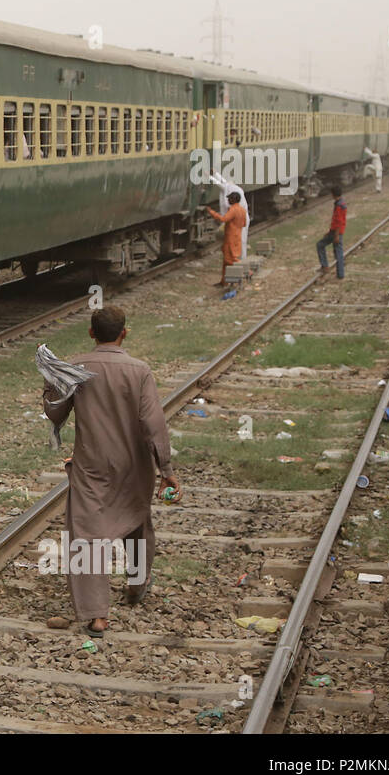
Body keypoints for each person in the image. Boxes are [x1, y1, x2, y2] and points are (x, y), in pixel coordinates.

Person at [42, 306, 179, 638]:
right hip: (134, 464)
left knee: (86, 536)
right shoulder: (140, 370)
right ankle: (137, 582)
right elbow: (153, 422)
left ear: (91, 334)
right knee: (136, 518)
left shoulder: (76, 368)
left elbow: (55, 412)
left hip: (91, 465)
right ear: (124, 333)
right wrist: (166, 469)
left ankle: (96, 616)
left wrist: (50, 383)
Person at [205, 192, 247, 286]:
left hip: (230, 238)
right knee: (226, 261)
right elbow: (244, 224)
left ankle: (247, 272)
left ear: (234, 199)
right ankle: (224, 282)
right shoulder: (242, 210)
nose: (228, 200)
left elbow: (223, 219)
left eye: (229, 199)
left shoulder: (233, 210)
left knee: (231, 260)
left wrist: (211, 212)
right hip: (237, 237)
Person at [210, 171, 249, 258]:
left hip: (238, 220)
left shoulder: (235, 206)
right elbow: (223, 182)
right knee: (235, 240)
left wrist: (209, 177)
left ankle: (241, 260)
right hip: (237, 220)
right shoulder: (232, 188)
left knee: (240, 240)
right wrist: (214, 173)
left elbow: (220, 184)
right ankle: (236, 259)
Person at [317, 185, 347, 280]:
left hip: (336, 232)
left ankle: (325, 266)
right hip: (336, 231)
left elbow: (338, 221)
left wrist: (336, 235)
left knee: (320, 245)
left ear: (333, 194)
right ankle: (340, 274)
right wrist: (329, 232)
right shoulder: (342, 203)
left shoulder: (338, 205)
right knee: (338, 252)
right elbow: (337, 221)